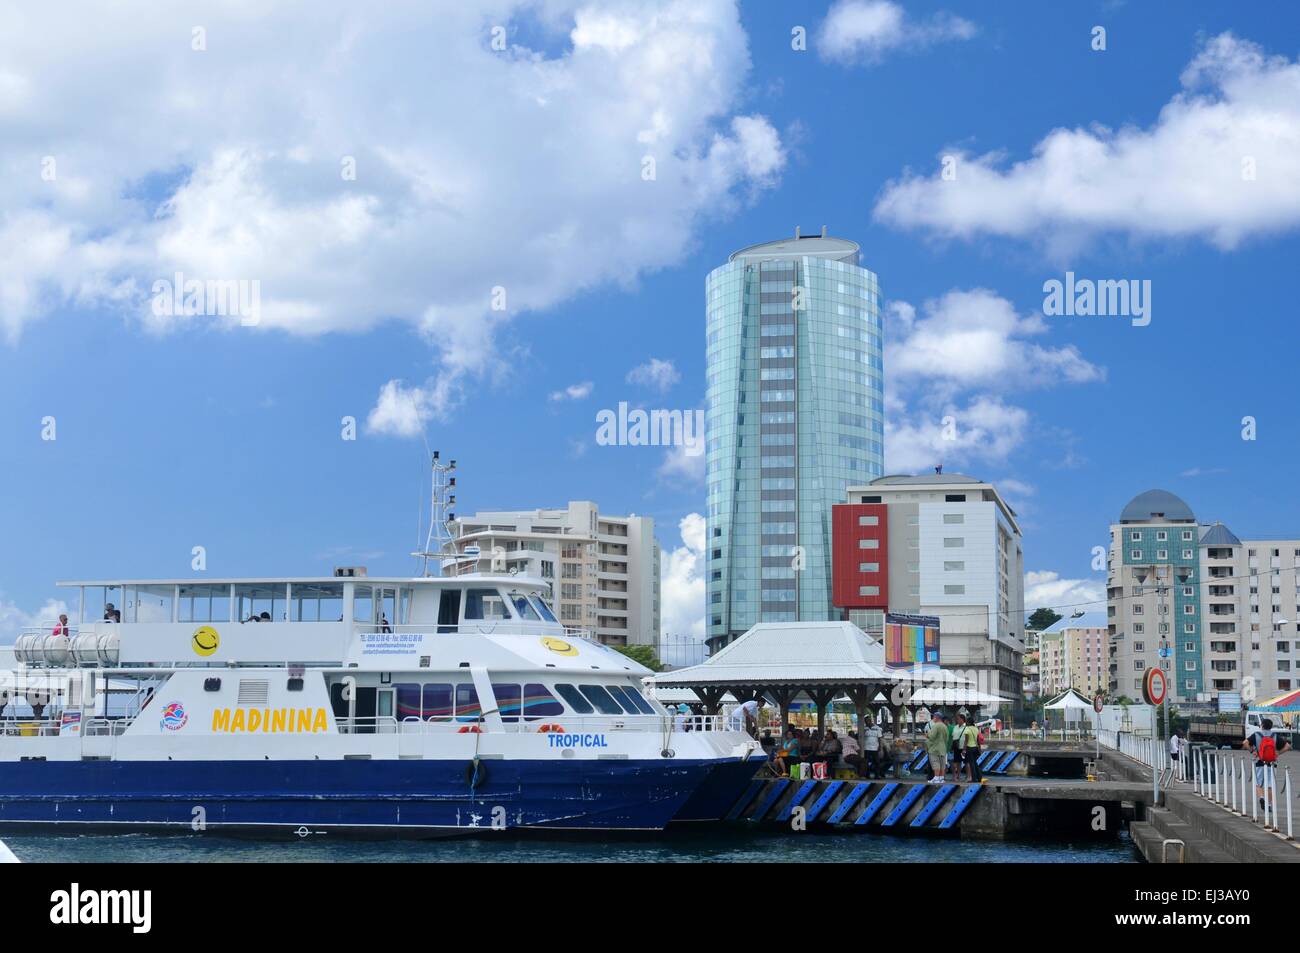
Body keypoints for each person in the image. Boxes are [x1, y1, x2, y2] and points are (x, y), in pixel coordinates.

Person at [1244, 719, 1290, 815]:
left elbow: (1245, 743)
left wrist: (1252, 751)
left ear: (1262, 725)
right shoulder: (1275, 736)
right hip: (1272, 763)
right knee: (1270, 784)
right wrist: (1278, 753)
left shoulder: (1256, 735)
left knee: (1259, 783)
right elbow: (1287, 746)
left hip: (1260, 762)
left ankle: (1261, 798)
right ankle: (1269, 805)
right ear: (1271, 726)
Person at [925, 712, 950, 784]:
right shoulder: (945, 726)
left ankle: (936, 777)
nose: (933, 719)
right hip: (943, 748)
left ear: (936, 717)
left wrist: (927, 735)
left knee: (935, 762)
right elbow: (947, 738)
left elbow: (932, 736)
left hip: (935, 748)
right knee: (942, 763)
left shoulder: (936, 726)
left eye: (934, 717)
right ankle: (941, 778)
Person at [963, 715, 982, 782]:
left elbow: (966, 741)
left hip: (969, 748)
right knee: (975, 763)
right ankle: (979, 777)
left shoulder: (967, 729)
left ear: (968, 722)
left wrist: (964, 750)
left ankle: (974, 778)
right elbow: (977, 740)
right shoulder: (976, 729)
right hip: (975, 748)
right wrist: (979, 748)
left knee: (971, 764)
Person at [950, 714, 967, 781]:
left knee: (964, 762)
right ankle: (955, 776)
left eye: (959, 719)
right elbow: (952, 736)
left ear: (962, 719)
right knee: (956, 762)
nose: (957, 720)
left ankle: (961, 775)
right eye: (957, 719)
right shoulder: (955, 727)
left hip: (963, 747)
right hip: (956, 746)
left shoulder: (966, 727)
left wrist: (964, 749)